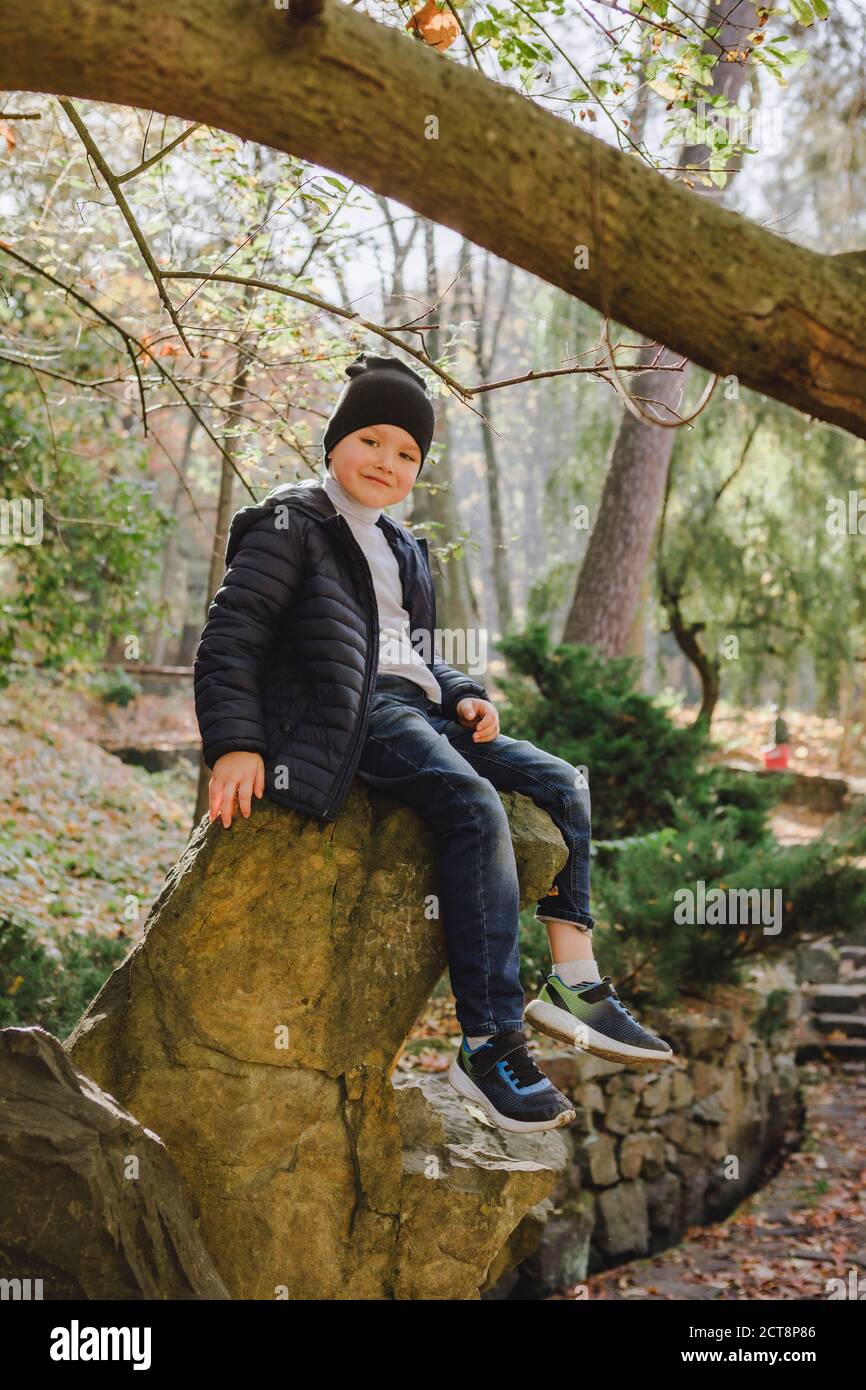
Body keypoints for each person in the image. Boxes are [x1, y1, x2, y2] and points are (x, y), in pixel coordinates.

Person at [193, 352, 674, 1135]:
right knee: (472, 804)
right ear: (335, 441)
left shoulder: (402, 544)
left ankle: (575, 983)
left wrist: (464, 692)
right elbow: (230, 640)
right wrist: (237, 743)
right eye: (371, 440)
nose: (387, 462)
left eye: (407, 453)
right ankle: (488, 1046)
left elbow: (412, 648)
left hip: (418, 707)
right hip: (347, 714)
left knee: (564, 783)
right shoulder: (290, 522)